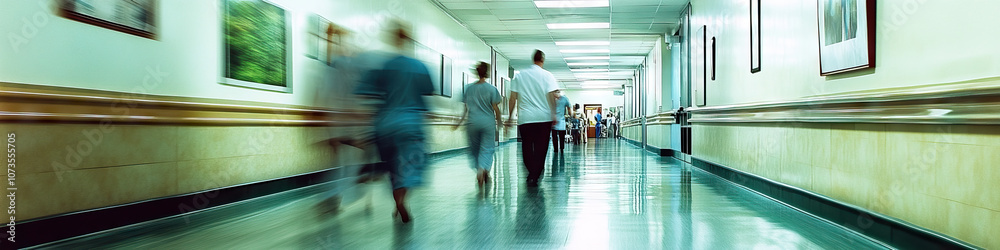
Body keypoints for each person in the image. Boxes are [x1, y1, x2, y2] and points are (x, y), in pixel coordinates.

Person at [353, 20, 434, 224]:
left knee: (392, 167)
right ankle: (401, 201)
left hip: (386, 125)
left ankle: (394, 196)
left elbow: (364, 92)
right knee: (407, 168)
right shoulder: (419, 67)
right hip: (411, 125)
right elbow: (427, 94)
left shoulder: (384, 66)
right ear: (409, 40)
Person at [505, 50, 559, 187]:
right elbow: (552, 96)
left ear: (533, 59)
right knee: (542, 148)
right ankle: (536, 172)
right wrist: (554, 114)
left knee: (527, 146)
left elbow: (513, 98)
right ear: (542, 60)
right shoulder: (548, 75)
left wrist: (510, 116)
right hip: (543, 118)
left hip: (525, 118)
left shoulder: (520, 76)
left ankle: (532, 172)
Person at [454, 62, 502, 187]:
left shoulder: (469, 88)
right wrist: (500, 122)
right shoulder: (492, 89)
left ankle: (478, 169)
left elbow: (465, 109)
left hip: (472, 123)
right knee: (487, 148)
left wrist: (459, 123)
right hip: (487, 123)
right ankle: (483, 168)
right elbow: (495, 108)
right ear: (487, 72)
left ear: (477, 72)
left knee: (474, 149)